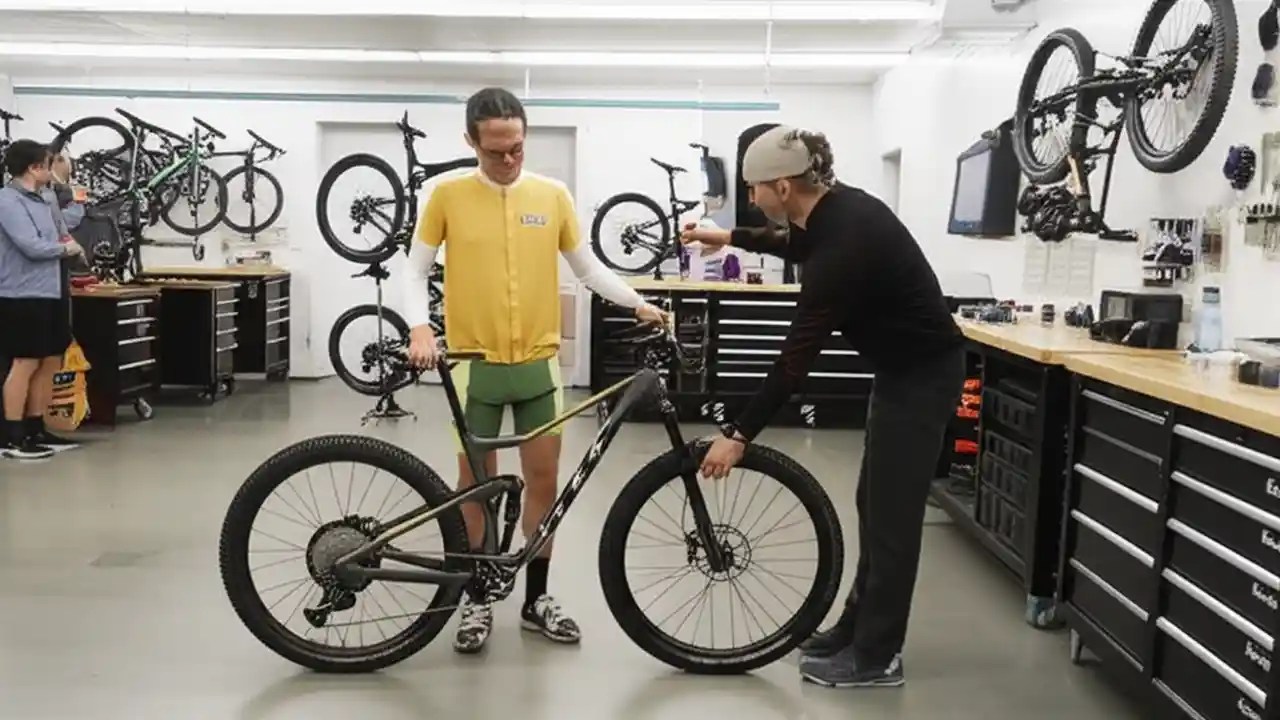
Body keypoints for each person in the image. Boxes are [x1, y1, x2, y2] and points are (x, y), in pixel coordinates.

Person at [682, 126, 964, 689]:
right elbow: (790, 242)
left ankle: (878, 657)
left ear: (783, 186)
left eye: (754, 188)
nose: (752, 196)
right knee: (872, 504)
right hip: (901, 372)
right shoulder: (835, 212)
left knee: (891, 521)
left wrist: (738, 433)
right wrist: (727, 237)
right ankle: (855, 631)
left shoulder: (844, 243)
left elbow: (794, 361)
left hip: (923, 379)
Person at [403, 87, 666, 654]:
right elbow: (414, 269)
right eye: (495, 150)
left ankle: (534, 600)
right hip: (475, 366)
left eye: (517, 148)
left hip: (538, 367)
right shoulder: (447, 196)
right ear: (470, 141)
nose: (507, 160)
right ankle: (476, 598)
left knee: (544, 484)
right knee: (474, 489)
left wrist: (636, 301)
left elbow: (587, 266)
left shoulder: (552, 195)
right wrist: (419, 326)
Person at [0, 140, 84, 460]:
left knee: (50, 360)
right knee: (25, 362)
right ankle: (12, 435)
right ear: (35, 168)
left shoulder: (44, 198)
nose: (54, 170)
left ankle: (37, 428)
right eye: (50, 164)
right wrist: (65, 249)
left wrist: (68, 239)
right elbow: (31, 246)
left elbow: (62, 232)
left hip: (51, 289)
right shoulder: (7, 201)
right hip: (20, 294)